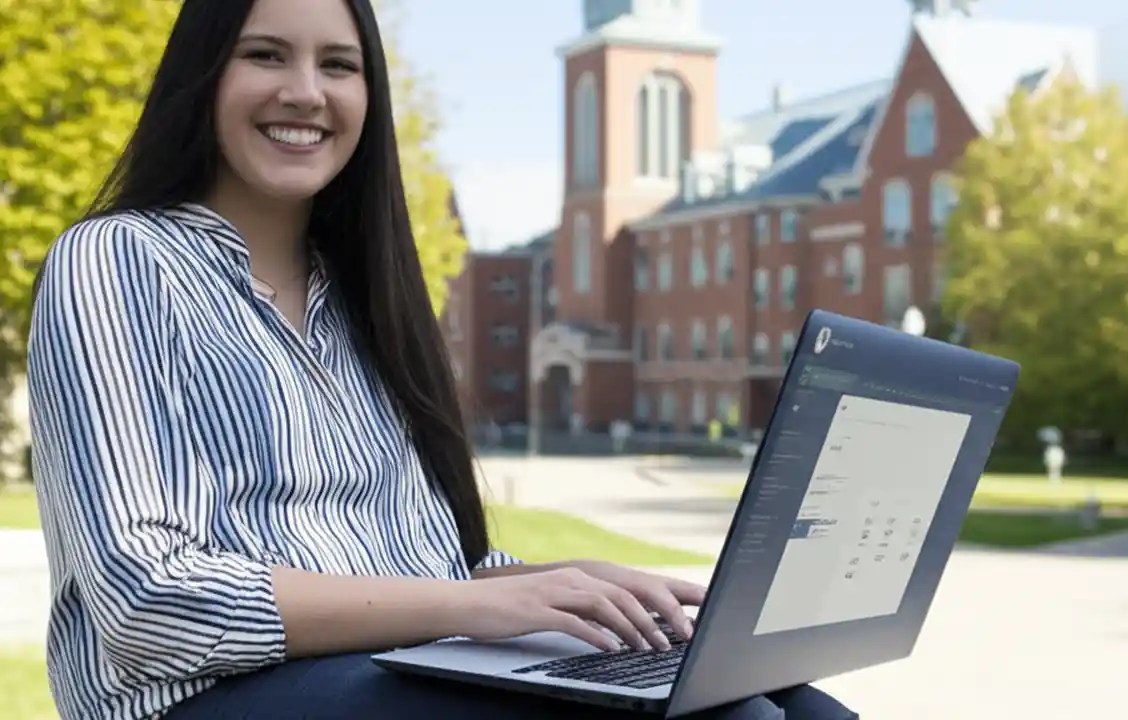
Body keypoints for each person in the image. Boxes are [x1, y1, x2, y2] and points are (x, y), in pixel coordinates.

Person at [27, 1, 858, 718]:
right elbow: (146, 602)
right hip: (207, 697)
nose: (306, 91)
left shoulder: (368, 304)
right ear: (203, 73)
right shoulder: (115, 261)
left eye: (339, 65)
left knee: (772, 696)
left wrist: (574, 584)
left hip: (381, 673)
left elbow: (417, 568)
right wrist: (475, 605)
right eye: (266, 55)